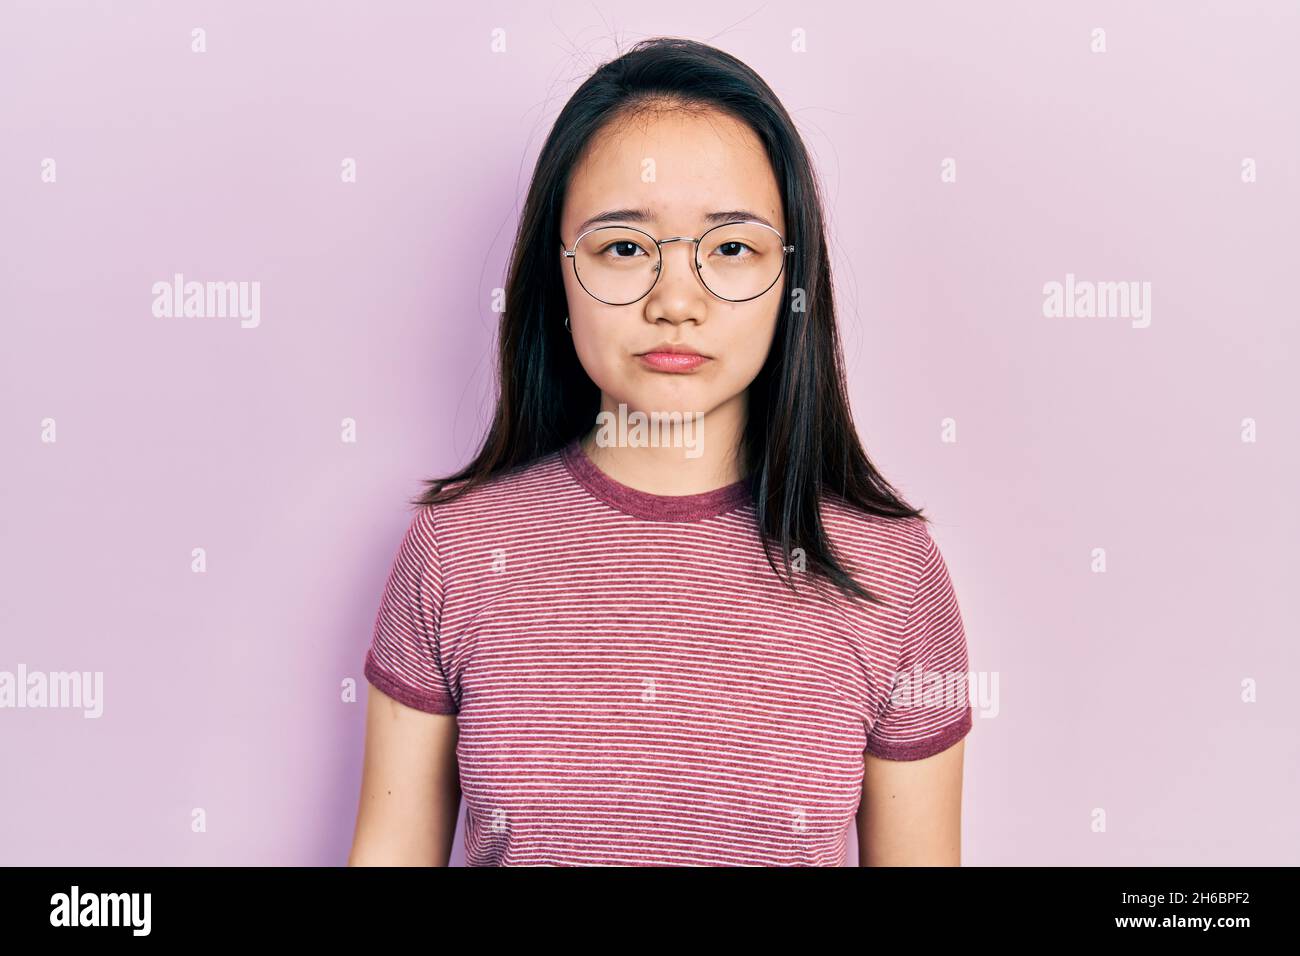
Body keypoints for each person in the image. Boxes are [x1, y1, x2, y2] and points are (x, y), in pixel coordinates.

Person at [348, 36, 972, 867]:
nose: (676, 301)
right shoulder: (456, 552)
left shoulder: (893, 572)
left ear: (793, 278)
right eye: (625, 249)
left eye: (731, 248)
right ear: (559, 273)